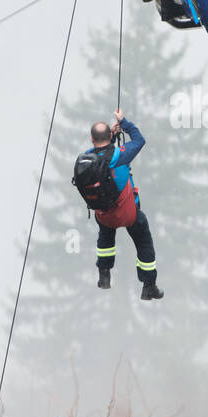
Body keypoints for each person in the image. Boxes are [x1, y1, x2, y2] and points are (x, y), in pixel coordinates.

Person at [75, 108, 164, 301]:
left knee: (105, 239)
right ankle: (149, 286)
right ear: (109, 135)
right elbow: (139, 141)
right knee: (143, 240)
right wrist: (124, 123)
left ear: (92, 139)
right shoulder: (119, 155)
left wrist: (111, 138)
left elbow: (102, 157)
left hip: (103, 214)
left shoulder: (86, 158)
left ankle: (104, 276)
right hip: (128, 214)